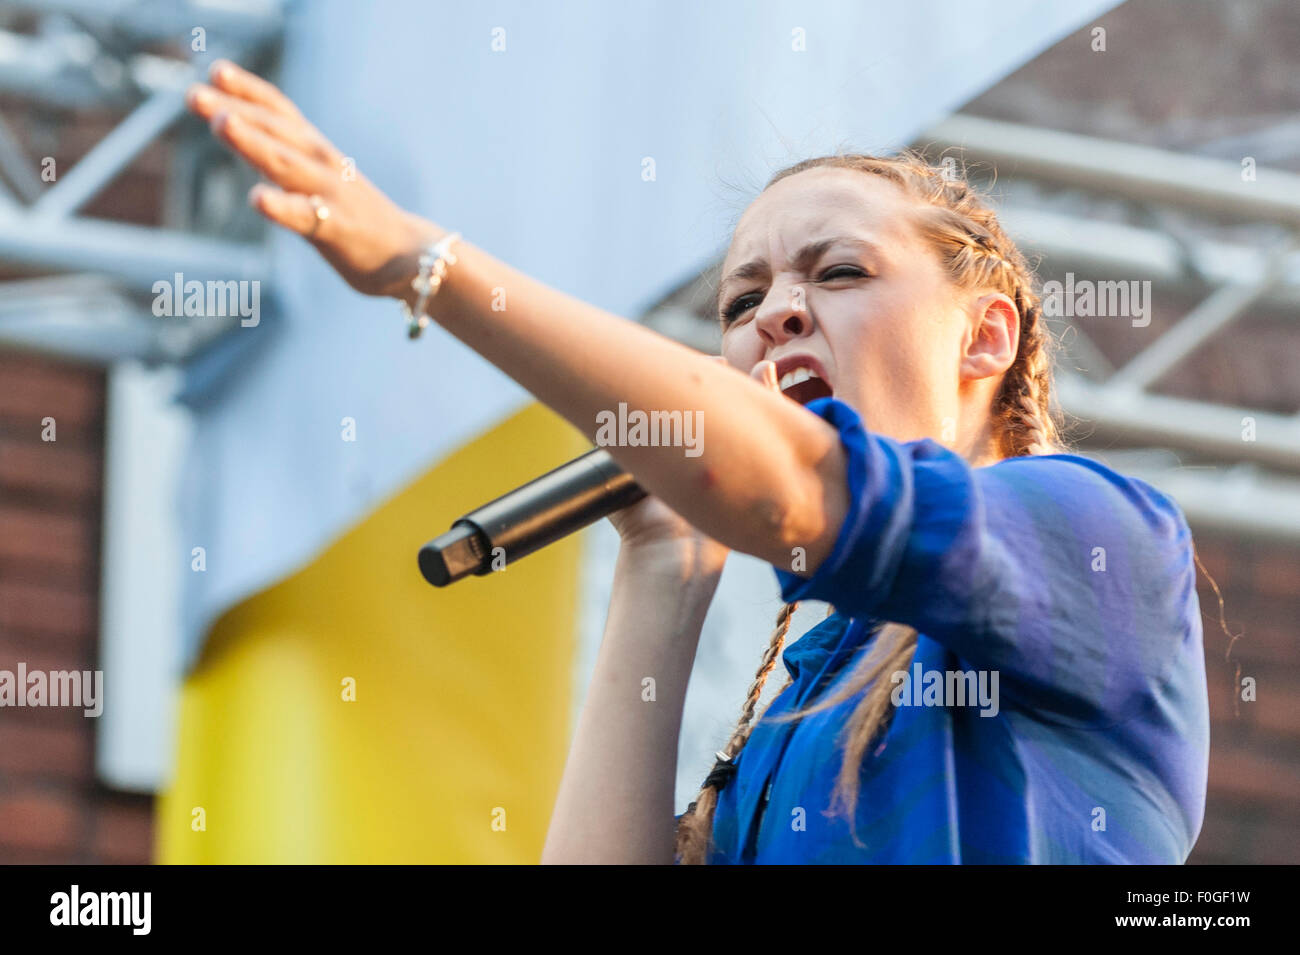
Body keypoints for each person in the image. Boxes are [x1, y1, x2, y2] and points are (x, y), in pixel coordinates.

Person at [186, 59, 1211, 865]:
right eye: (739, 303)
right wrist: (663, 570)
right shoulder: (809, 688)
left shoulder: (1093, 533)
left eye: (840, 270)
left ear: (984, 337)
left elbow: (796, 485)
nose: (776, 313)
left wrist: (433, 269)